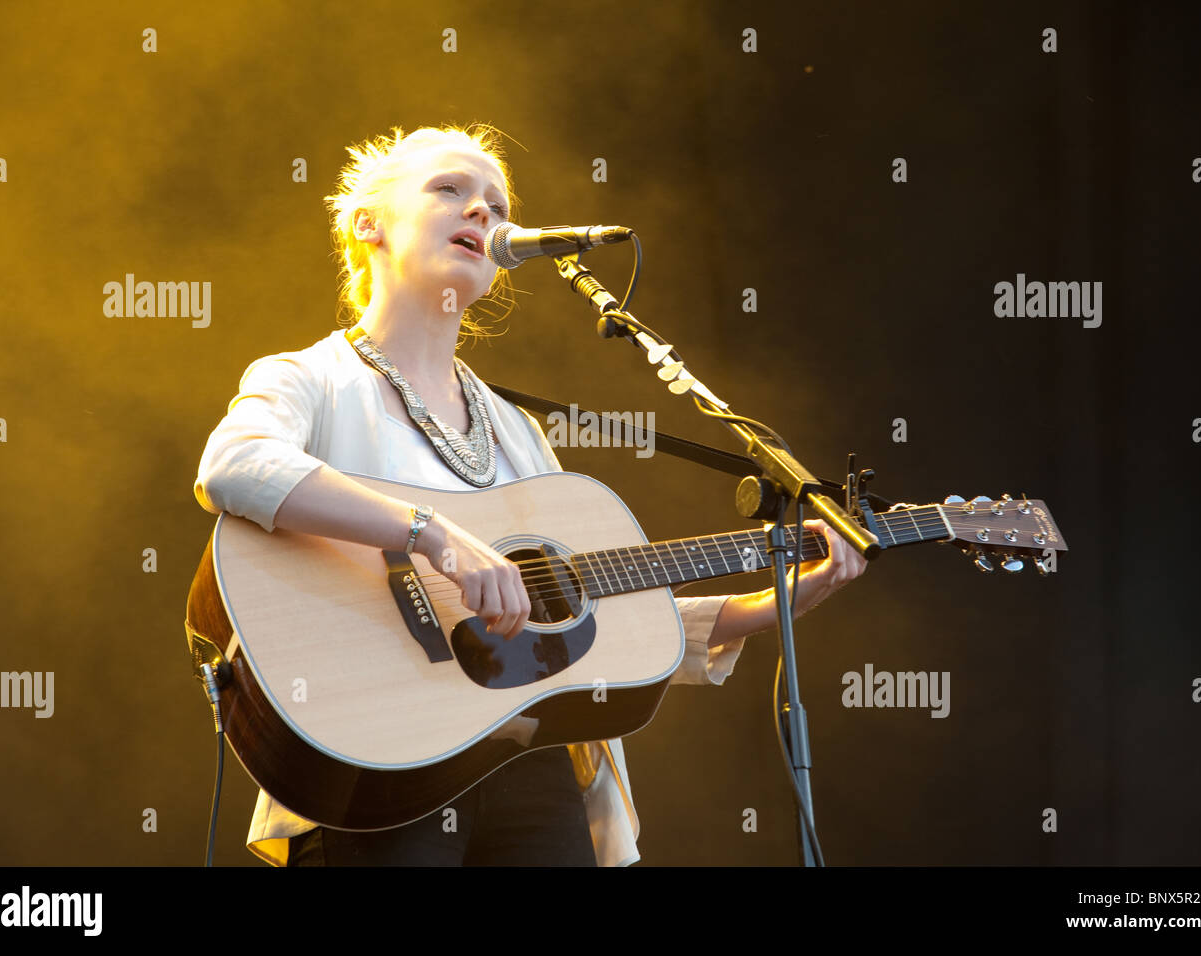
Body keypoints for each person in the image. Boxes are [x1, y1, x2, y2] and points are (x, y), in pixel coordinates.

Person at [193, 124, 867, 867]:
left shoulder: (516, 432)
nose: (483, 212)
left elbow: (584, 616)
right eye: (451, 190)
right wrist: (433, 536)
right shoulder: (309, 379)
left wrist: (776, 604)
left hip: (529, 763)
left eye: (497, 203)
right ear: (367, 224)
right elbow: (235, 464)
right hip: (372, 750)